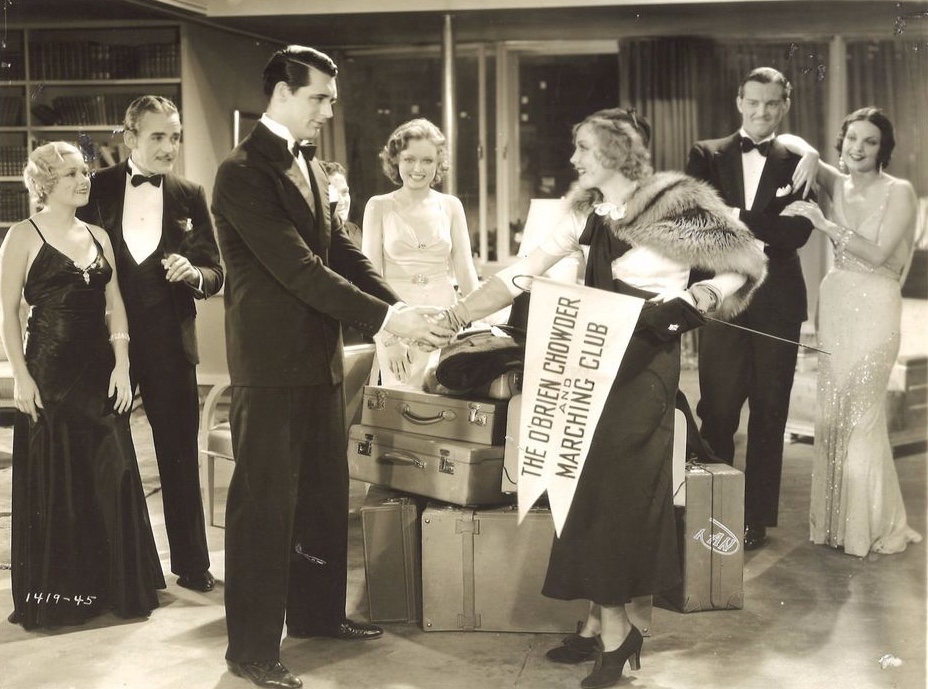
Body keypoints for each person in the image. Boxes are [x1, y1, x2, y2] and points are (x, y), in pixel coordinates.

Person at [439, 108, 766, 689]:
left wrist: (701, 297)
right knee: (583, 484)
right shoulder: (586, 209)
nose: (574, 159)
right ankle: (596, 622)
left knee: (616, 493)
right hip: (590, 361)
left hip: (645, 368)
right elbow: (523, 272)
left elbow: (746, 263)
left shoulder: (676, 201)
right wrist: (459, 313)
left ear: (618, 149)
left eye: (584, 148)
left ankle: (618, 634)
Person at [211, 45, 454, 689]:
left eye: (330, 100)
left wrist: (403, 306)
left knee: (322, 493)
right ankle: (251, 648)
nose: (326, 111)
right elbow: (296, 269)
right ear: (282, 93)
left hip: (319, 358)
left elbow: (340, 251)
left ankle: (317, 615)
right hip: (268, 367)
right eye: (318, 98)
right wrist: (387, 321)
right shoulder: (240, 172)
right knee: (264, 506)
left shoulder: (312, 164)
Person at [1, 142, 165, 629]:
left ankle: (115, 586)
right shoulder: (21, 236)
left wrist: (122, 364)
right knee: (61, 481)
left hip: (101, 372)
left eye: (85, 171)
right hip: (49, 373)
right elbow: (8, 313)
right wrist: (21, 376)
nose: (83, 179)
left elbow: (115, 306)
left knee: (112, 471)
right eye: (71, 173)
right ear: (46, 182)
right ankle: (67, 596)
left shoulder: (98, 234)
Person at [77, 95, 222, 593]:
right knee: (106, 452)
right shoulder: (94, 189)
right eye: (158, 136)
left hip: (170, 343)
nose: (169, 146)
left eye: (175, 136)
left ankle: (192, 564)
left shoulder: (189, 194)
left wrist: (195, 274)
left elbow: (217, 271)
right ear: (130, 137)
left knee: (179, 452)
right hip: (106, 347)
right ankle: (113, 567)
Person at [778, 107, 922, 557]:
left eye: (870, 141)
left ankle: (870, 528)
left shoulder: (900, 191)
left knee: (863, 414)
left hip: (876, 303)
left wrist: (824, 224)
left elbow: (879, 256)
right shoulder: (836, 181)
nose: (858, 149)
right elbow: (789, 140)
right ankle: (838, 527)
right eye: (851, 139)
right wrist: (816, 150)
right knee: (834, 415)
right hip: (836, 302)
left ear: (884, 149)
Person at [686, 66, 815, 551]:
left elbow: (796, 233)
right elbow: (696, 220)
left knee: (769, 414)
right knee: (716, 411)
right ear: (739, 101)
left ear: (785, 105)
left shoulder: (798, 159)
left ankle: (755, 520)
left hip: (777, 306)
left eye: (772, 104)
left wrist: (736, 216)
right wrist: (761, 225)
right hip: (722, 302)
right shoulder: (707, 153)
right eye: (753, 102)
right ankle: (711, 510)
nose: (762, 112)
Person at [362, 118, 479, 389]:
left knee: (444, 401)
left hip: (446, 320)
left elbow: (466, 271)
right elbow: (370, 279)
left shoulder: (451, 206)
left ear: (438, 164)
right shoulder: (378, 206)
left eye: (427, 161)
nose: (418, 168)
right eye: (409, 159)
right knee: (402, 401)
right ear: (395, 161)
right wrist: (389, 340)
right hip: (396, 320)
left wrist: (476, 326)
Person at [321, 160, 362, 248]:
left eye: (344, 192)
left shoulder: (355, 231)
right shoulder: (319, 240)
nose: (342, 202)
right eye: (333, 194)